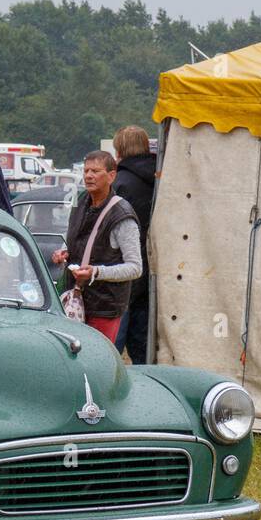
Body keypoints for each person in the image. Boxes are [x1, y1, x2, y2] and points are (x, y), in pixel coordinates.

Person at [51, 150, 142, 343]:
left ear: (111, 176)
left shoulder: (122, 215)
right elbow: (80, 239)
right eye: (86, 171)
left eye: (95, 171)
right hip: (75, 298)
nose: (89, 176)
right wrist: (66, 252)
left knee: (97, 360)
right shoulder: (81, 200)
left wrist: (96, 272)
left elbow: (135, 268)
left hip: (105, 306)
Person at [110, 126, 157, 362]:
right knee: (141, 343)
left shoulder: (119, 182)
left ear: (120, 148)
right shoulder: (160, 179)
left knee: (114, 340)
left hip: (123, 266)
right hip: (152, 266)